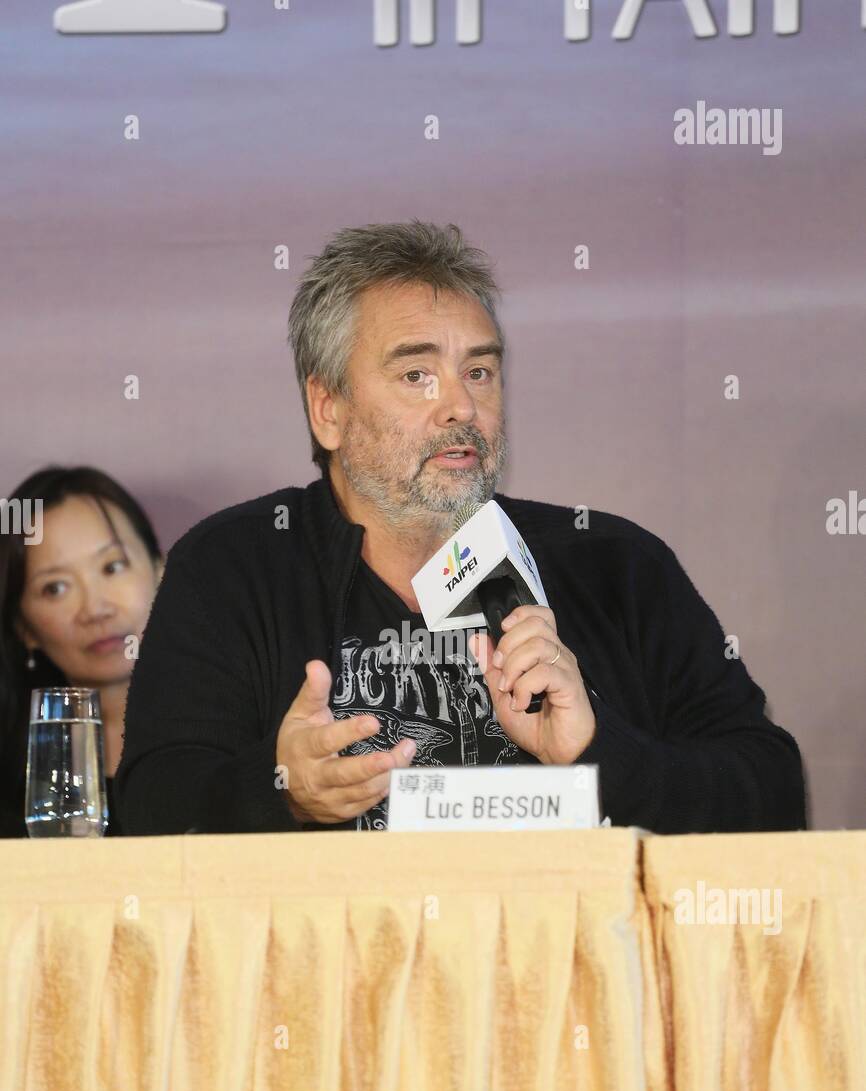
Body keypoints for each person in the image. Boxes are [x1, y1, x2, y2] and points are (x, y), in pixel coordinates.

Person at [115, 220, 807, 835]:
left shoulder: (615, 564)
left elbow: (770, 788)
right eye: (417, 375)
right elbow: (147, 809)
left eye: (479, 372)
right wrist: (279, 791)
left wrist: (598, 756)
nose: (460, 408)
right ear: (328, 409)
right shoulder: (232, 568)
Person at [0, 466, 163, 837]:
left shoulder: (233, 731)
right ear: (25, 629)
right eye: (55, 588)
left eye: (112, 566)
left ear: (160, 570)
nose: (95, 609)